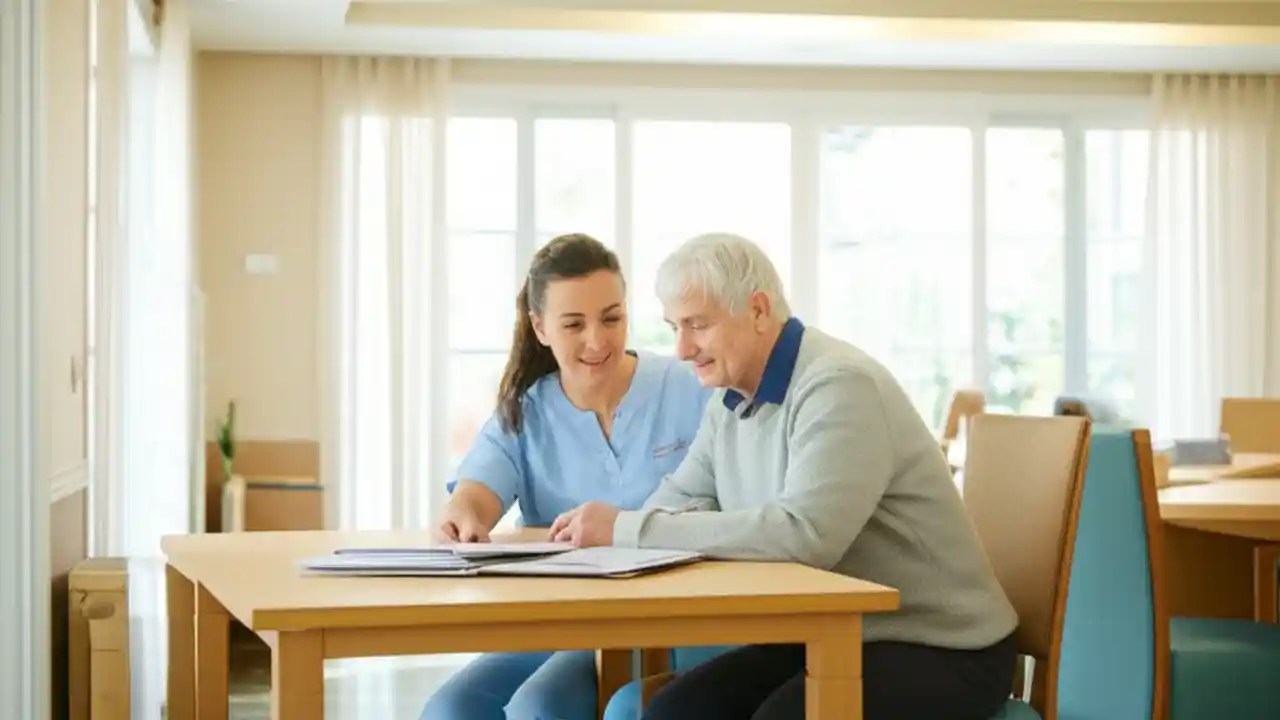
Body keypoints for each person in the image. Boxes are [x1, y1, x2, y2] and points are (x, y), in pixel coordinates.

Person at [551, 233, 1020, 720]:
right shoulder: (729, 399)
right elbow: (678, 497)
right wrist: (629, 530)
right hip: (826, 633)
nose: (682, 349)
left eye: (698, 326)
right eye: (675, 328)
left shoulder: (838, 385)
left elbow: (804, 535)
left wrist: (626, 528)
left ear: (757, 310)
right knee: (675, 712)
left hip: (937, 644)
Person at [421, 233, 725, 720]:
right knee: (452, 709)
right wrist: (464, 516)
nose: (597, 340)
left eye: (611, 318)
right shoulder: (525, 411)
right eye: (573, 324)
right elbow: (478, 489)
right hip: (565, 618)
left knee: (542, 706)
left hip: (674, 614)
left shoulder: (689, 388)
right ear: (540, 327)